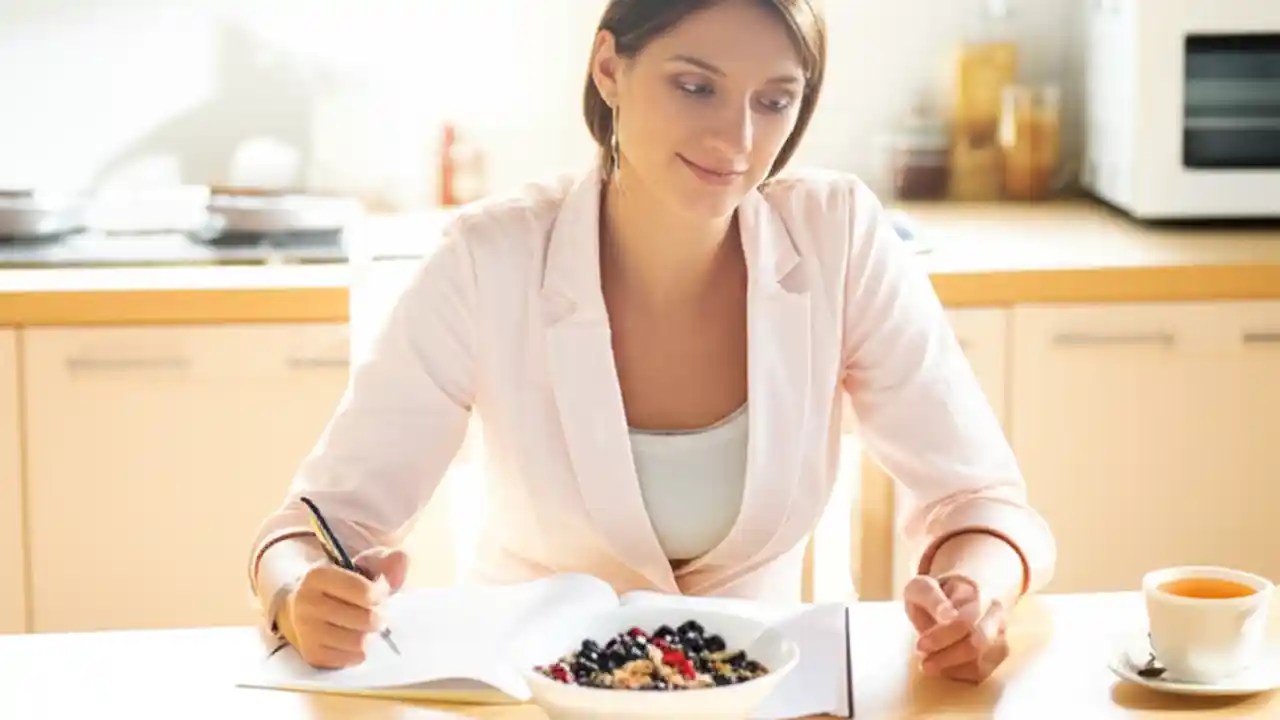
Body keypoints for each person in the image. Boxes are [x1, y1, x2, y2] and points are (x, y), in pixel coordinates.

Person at [247, 0, 1056, 684]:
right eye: (696, 86)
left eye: (773, 101)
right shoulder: (490, 258)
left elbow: (978, 500)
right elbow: (310, 530)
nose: (736, 138)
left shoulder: (837, 237)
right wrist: (299, 594)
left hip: (758, 699)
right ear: (610, 69)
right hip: (536, 702)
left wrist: (972, 595)